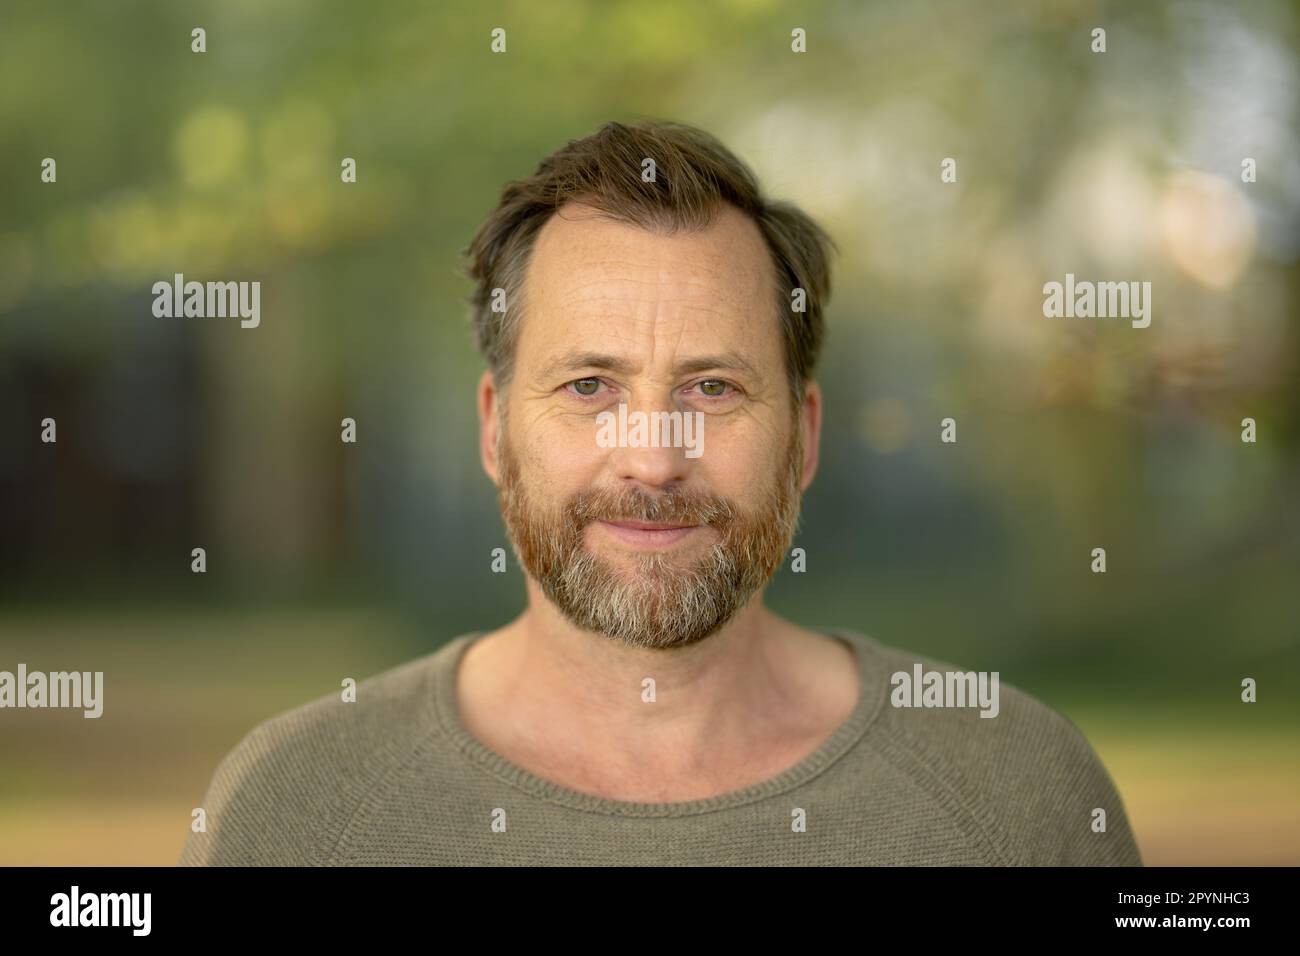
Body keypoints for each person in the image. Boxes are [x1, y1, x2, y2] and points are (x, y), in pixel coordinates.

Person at [179, 119, 1142, 866]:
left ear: (802, 438)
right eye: (589, 387)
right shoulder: (296, 811)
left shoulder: (1016, 795)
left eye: (712, 388)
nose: (652, 460)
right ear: (492, 427)